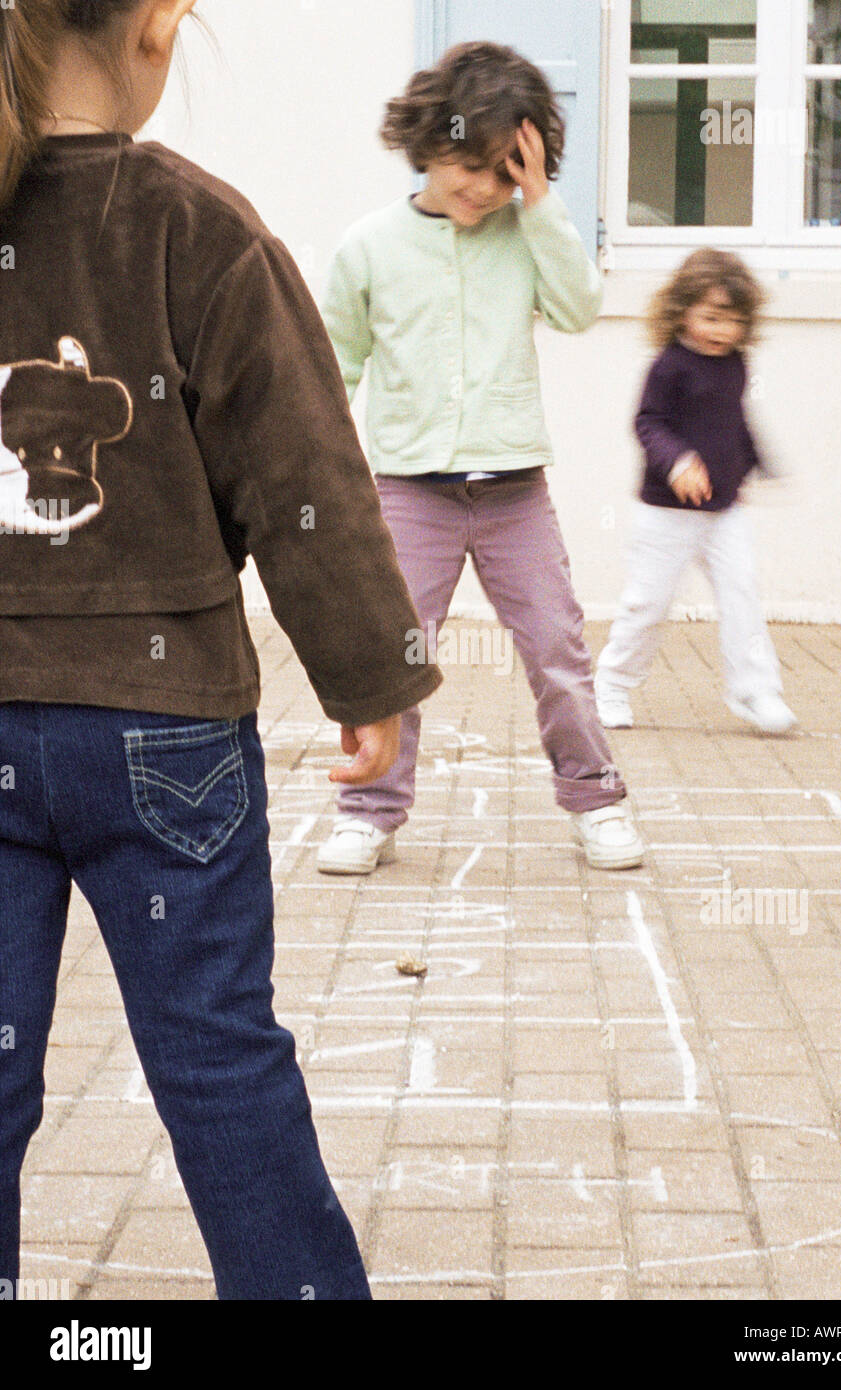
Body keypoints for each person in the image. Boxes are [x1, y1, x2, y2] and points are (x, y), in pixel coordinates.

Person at [0, 0, 443, 1300]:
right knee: (214, 1056)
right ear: (153, 29)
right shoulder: (195, 224)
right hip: (162, 729)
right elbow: (299, 470)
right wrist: (368, 682)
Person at [317, 41, 643, 877]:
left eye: (505, 174)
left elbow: (578, 309)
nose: (483, 190)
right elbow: (332, 367)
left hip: (512, 492)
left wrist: (539, 205)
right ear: (426, 140)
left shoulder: (524, 229)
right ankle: (369, 810)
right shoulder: (367, 246)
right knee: (394, 655)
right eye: (470, 167)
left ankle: (595, 799)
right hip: (408, 491)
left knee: (558, 652)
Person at [594, 248, 797, 736]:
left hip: (723, 511)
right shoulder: (668, 367)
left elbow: (735, 420)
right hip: (667, 512)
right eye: (709, 318)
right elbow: (647, 423)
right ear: (681, 311)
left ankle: (755, 689)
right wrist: (679, 461)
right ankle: (612, 683)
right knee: (648, 602)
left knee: (742, 590)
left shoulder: (735, 364)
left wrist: (753, 465)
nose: (721, 331)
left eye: (732, 321)